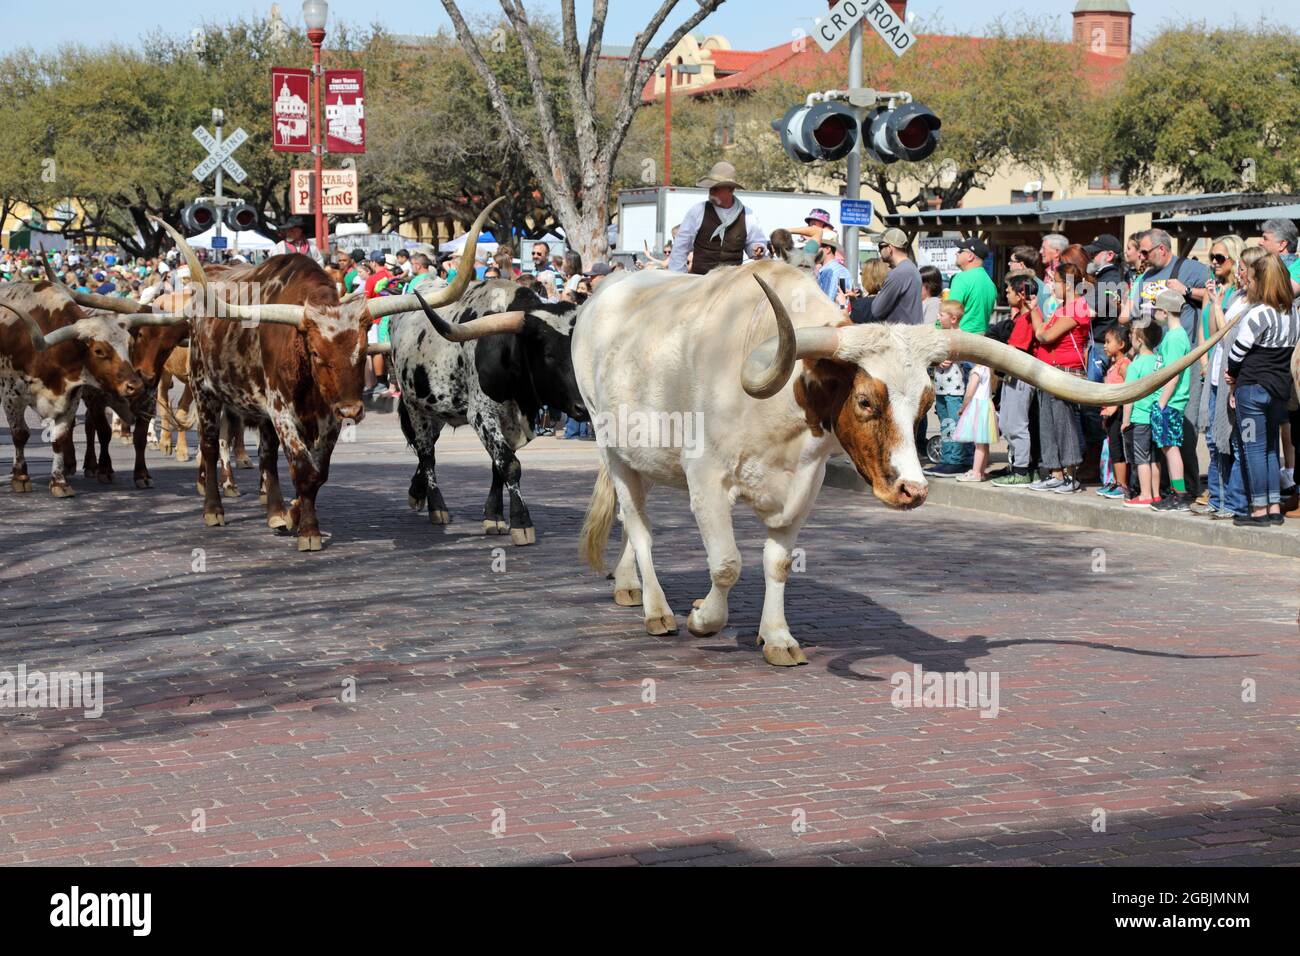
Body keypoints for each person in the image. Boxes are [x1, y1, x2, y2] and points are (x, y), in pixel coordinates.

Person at [1225, 252, 1300, 527]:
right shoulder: (1292, 312)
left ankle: (1258, 510)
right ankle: (1273, 506)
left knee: (1251, 449)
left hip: (1252, 390)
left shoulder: (1258, 313)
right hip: (1278, 390)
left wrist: (1231, 376)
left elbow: (1237, 352)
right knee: (1269, 448)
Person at [1027, 256, 1092, 494]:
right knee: (1048, 424)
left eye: (1055, 281)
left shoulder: (1078, 307)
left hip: (1065, 373)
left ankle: (1070, 474)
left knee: (1064, 424)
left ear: (1068, 284)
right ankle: (1054, 472)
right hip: (1049, 372)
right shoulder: (1063, 307)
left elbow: (1046, 336)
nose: (1051, 287)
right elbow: (1041, 332)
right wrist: (1034, 311)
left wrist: (1041, 327)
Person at [1191, 235, 1245, 516]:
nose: (1213, 262)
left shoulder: (1241, 294)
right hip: (1211, 367)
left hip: (1229, 373)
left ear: (1234, 260)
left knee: (1227, 438)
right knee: (1212, 438)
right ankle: (1216, 496)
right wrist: (1202, 359)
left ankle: (1230, 500)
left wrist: (1217, 301)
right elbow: (1208, 331)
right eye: (1211, 257)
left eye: (1220, 258)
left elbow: (1228, 335)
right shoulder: (1216, 291)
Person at [667, 161, 767, 274]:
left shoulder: (748, 215)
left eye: (716, 187)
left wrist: (757, 248)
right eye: (710, 187)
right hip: (700, 281)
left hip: (732, 282)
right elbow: (680, 247)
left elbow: (755, 243)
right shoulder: (698, 211)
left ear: (731, 189)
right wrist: (679, 277)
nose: (711, 190)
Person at [1149, 288, 1196, 511]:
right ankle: (1177, 492)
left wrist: (1161, 402)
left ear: (1164, 311)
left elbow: (1173, 374)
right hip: (1167, 401)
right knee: (1168, 446)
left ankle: (1180, 494)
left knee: (1171, 447)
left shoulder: (1176, 338)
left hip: (1169, 403)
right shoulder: (1173, 335)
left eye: (1156, 309)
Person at [925, 300, 973, 478]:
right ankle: (950, 458)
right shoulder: (940, 334)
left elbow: (966, 355)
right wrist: (937, 360)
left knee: (954, 425)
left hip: (955, 390)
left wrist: (952, 357)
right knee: (946, 424)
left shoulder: (961, 336)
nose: (938, 317)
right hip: (941, 388)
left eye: (941, 314)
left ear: (953, 319)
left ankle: (955, 460)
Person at [1122, 320, 1164, 508]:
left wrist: (1125, 421)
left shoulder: (1135, 366)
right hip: (1156, 416)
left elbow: (1129, 396)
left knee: (1141, 458)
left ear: (1139, 339)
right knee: (1155, 457)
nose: (1130, 337)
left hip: (1139, 418)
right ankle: (1155, 494)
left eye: (1132, 334)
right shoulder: (1159, 360)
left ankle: (1145, 494)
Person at [845, 228, 922, 325]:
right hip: (911, 333)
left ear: (889, 248)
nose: (879, 251)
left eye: (880, 247)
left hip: (901, 336)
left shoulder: (898, 274)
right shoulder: (912, 268)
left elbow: (876, 310)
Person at [1084, 233, 1127, 383]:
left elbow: (1088, 313)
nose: (1091, 256)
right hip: (1100, 345)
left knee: (1090, 399)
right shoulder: (1105, 279)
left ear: (1109, 255)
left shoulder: (1109, 280)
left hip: (1100, 346)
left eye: (1095, 253)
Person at [1095, 326, 1132, 500]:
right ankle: (1116, 481)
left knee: (1118, 450)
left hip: (1117, 414)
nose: (1105, 345)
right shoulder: (1113, 364)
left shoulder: (1124, 365)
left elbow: (1124, 389)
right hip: (1109, 414)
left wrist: (1113, 408)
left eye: (1109, 342)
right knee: (1112, 449)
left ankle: (1122, 485)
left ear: (1122, 344)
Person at [953, 363, 998, 482]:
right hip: (987, 405)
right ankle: (981, 472)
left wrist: (963, 408)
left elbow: (969, 393)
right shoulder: (989, 369)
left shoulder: (978, 370)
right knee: (984, 444)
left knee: (979, 444)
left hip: (978, 407)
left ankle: (976, 472)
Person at [949, 238, 997, 335]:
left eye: (960, 251)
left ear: (970, 256)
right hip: (981, 339)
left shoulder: (961, 278)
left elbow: (949, 312)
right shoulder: (990, 283)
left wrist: (936, 328)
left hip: (961, 339)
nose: (956, 253)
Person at [814, 231, 851, 301]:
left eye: (817, 247)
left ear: (828, 249)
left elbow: (829, 302)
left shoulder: (835, 271)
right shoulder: (826, 271)